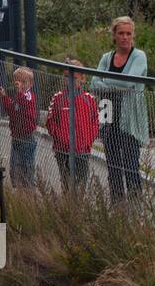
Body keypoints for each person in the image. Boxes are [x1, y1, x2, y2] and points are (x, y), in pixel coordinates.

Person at [93, 16, 149, 202]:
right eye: (121, 33)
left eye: (128, 33)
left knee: (131, 166)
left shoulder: (139, 56)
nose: (125, 37)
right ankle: (118, 208)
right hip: (109, 117)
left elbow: (129, 81)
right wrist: (113, 84)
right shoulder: (106, 58)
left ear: (133, 36)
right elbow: (94, 83)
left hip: (130, 119)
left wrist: (105, 81)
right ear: (114, 36)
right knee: (113, 167)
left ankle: (136, 208)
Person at [46, 58, 99, 193]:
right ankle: (67, 208)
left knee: (81, 182)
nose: (69, 80)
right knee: (66, 182)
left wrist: (87, 141)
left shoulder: (89, 100)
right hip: (63, 150)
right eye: (66, 77)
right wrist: (62, 139)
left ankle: (78, 209)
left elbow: (95, 123)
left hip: (82, 150)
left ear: (82, 78)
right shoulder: (58, 98)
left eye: (74, 78)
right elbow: (50, 122)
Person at [0, 67, 37, 188]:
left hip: (26, 139)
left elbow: (25, 103)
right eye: (18, 81)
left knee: (27, 168)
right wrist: (4, 96)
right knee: (15, 168)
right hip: (16, 138)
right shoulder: (18, 97)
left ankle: (28, 191)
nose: (20, 84)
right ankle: (18, 189)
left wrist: (20, 90)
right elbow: (11, 109)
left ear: (31, 84)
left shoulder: (28, 96)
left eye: (24, 82)